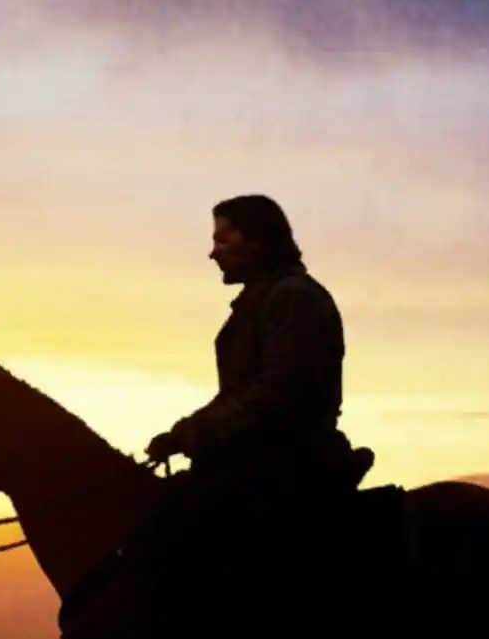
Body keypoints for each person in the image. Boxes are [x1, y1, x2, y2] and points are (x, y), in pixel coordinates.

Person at [145, 194, 368, 505]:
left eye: (222, 241)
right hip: (257, 460)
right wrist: (182, 433)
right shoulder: (267, 300)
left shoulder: (294, 298)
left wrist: (191, 434)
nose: (212, 254)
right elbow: (240, 394)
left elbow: (277, 392)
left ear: (257, 240)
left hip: (284, 468)